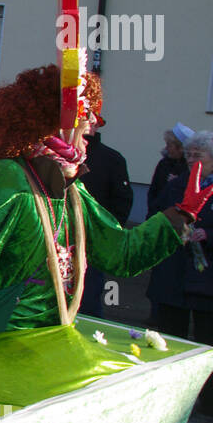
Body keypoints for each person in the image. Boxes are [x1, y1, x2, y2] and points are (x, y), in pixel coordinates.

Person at [0, 65, 212, 350]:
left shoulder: (72, 189)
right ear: (54, 124)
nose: (92, 128)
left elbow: (120, 253)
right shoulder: (10, 177)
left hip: (52, 338)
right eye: (84, 125)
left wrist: (181, 215)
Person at [146, 131, 213, 415]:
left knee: (209, 344)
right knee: (170, 341)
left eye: (198, 156)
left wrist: (212, 235)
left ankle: (206, 400)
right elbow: (155, 215)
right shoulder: (176, 185)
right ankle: (172, 397)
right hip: (174, 278)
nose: (192, 160)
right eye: (190, 154)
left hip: (212, 281)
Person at [77, 119, 134, 316]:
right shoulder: (61, 156)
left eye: (92, 122)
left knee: (89, 298)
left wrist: (108, 234)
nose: (87, 126)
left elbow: (122, 200)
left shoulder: (111, 159)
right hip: (62, 237)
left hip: (93, 240)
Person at [147, 123, 192, 209]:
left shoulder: (189, 168)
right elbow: (153, 190)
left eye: (169, 145)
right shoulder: (164, 163)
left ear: (181, 148)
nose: (166, 148)